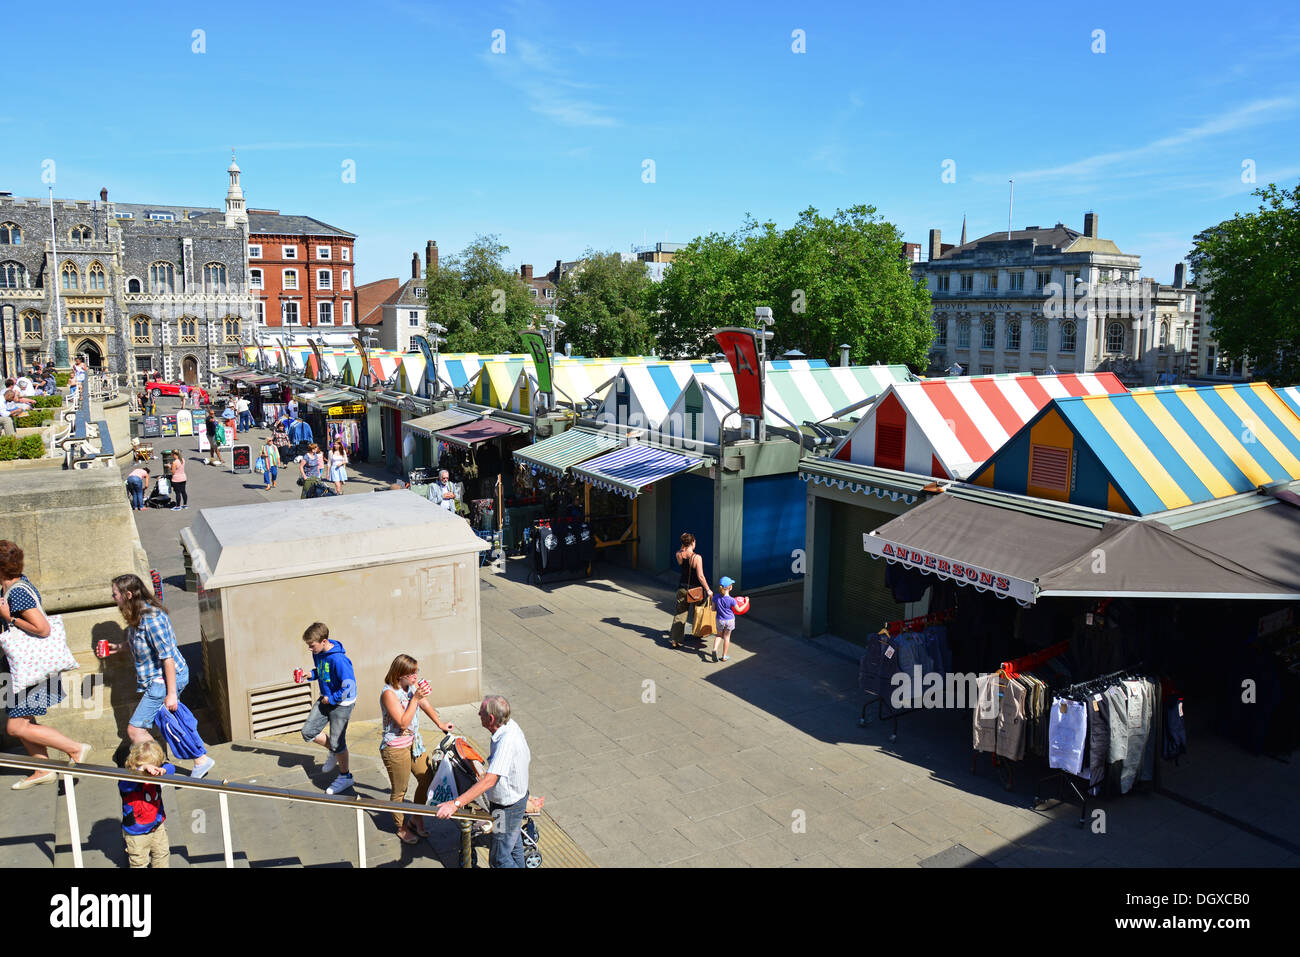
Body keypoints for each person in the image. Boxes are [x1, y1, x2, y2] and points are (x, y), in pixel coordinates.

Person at [105, 574, 215, 779]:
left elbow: (168, 658)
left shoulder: (152, 618)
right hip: (157, 680)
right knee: (171, 721)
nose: (113, 598)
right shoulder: (136, 614)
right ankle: (200, 760)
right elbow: (141, 643)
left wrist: (171, 694)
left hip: (163, 681)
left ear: (128, 594)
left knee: (135, 730)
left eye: (115, 594)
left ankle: (156, 772)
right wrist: (119, 648)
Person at [0, 541, 91, 789]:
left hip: (28, 668)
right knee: (26, 722)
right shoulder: (13, 586)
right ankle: (43, 769)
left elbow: (42, 628)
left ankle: (75, 748)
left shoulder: (17, 591)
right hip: (23, 668)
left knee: (15, 727)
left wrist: (11, 619)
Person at [435, 695, 531, 868]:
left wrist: (455, 803)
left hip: (507, 808)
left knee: (499, 859)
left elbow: (489, 781)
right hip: (517, 798)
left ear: (491, 718)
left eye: (482, 712)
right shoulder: (509, 725)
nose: (478, 713)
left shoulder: (506, 742)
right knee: (513, 846)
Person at [379, 655, 454, 844]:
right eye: (411, 673)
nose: (415, 676)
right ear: (399, 674)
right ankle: (401, 827)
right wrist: (416, 698)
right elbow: (403, 722)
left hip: (414, 744)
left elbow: (424, 703)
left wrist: (440, 724)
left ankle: (416, 817)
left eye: (416, 672)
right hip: (395, 748)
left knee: (428, 778)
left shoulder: (410, 687)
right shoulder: (389, 693)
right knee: (400, 791)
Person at [299, 622, 357, 794]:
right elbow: (323, 671)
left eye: (312, 645)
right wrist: (311, 674)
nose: (310, 649)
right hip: (326, 700)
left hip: (341, 703)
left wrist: (331, 698)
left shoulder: (339, 659)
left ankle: (345, 776)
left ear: (324, 641)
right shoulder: (319, 653)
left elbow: (349, 688)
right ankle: (334, 750)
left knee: (339, 742)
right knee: (308, 731)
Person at [119, 739, 175, 868]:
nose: (150, 772)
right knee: (139, 861)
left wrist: (163, 770)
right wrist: (141, 771)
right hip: (136, 830)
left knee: (162, 852)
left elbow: (171, 767)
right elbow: (125, 786)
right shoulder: (127, 777)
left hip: (157, 823)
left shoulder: (158, 770)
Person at [669, 532, 712, 649]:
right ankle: (699, 632)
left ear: (683, 543)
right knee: (699, 610)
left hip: (682, 588)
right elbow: (700, 576)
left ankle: (675, 639)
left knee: (680, 613)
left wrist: (683, 543)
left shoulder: (678, 554)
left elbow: (682, 560)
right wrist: (708, 590)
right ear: (692, 542)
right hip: (696, 590)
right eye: (694, 541)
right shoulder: (697, 557)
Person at [711, 576, 742, 663]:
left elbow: (713, 609)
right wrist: (746, 602)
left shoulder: (716, 597)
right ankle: (724, 656)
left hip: (719, 620)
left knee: (718, 635)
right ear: (730, 587)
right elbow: (739, 610)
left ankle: (714, 649)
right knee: (726, 637)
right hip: (729, 620)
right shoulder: (732, 600)